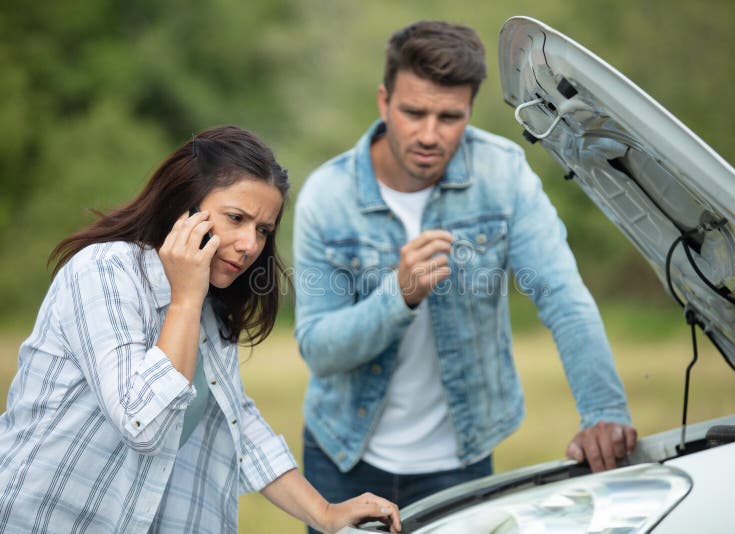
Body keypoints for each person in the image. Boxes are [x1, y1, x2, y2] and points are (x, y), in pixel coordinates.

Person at [293, 20, 638, 523]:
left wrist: (604, 413)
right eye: (413, 112)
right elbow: (319, 349)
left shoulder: (503, 174)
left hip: (462, 459)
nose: (429, 134)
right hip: (343, 457)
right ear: (383, 101)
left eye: (449, 117)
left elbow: (563, 297)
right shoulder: (328, 196)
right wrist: (399, 296)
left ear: (470, 110)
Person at [0, 126, 400, 533]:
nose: (250, 244)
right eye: (236, 218)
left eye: (263, 229)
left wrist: (325, 514)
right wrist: (184, 301)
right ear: (184, 207)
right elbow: (144, 424)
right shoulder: (104, 272)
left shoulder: (207, 304)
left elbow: (238, 424)